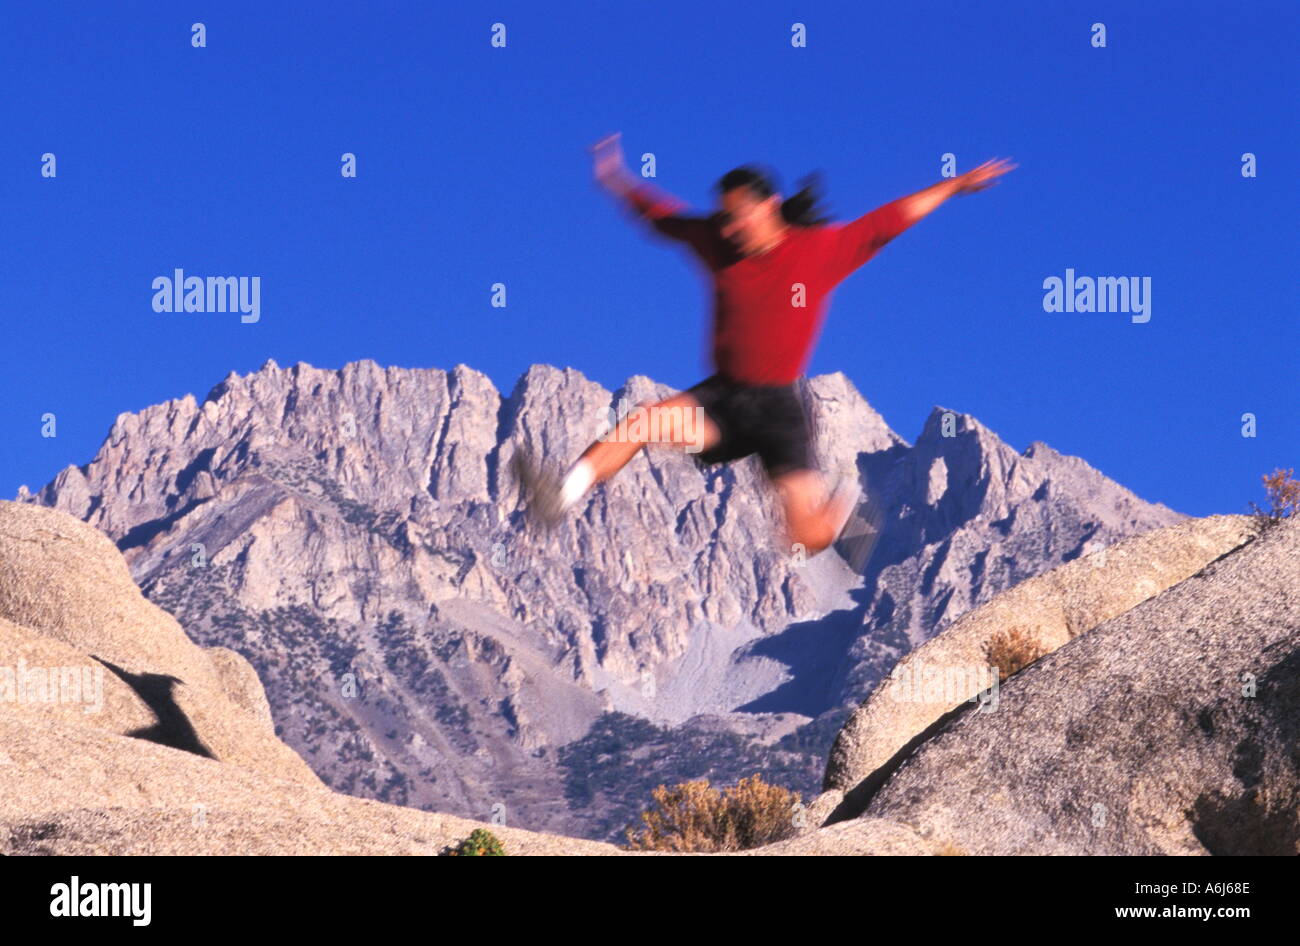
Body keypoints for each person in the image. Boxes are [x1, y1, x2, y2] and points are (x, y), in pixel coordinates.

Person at [514, 132, 1014, 562]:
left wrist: (952, 185)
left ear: (769, 207)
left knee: (800, 538)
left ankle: (843, 518)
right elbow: (660, 216)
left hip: (778, 413)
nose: (729, 230)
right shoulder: (713, 238)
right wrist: (615, 175)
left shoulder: (820, 251)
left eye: (738, 218)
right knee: (642, 421)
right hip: (722, 398)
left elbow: (889, 221)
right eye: (724, 219)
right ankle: (560, 495)